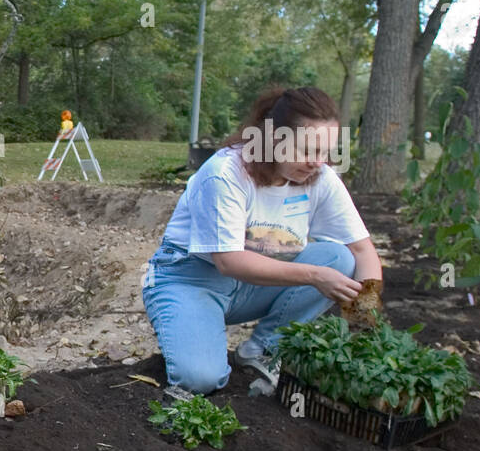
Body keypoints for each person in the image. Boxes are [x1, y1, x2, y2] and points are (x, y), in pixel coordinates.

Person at [142, 85, 383, 395]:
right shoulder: (226, 173)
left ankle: (262, 350)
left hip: (254, 284)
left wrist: (364, 316)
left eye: (325, 151)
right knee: (200, 379)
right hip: (190, 280)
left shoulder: (321, 177)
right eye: (306, 150)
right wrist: (314, 275)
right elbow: (228, 261)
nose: (317, 162)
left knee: (339, 258)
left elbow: (362, 250)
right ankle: (195, 329)